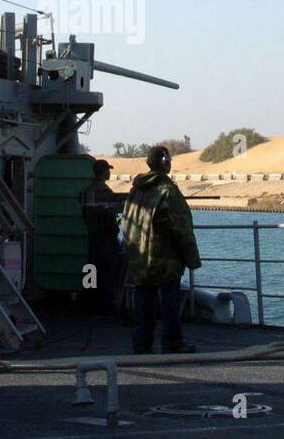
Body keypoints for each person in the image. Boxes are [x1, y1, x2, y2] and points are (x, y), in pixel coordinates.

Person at [120, 145, 201, 354]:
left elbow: (126, 223)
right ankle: (172, 343)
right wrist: (192, 259)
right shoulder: (168, 191)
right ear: (166, 163)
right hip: (165, 260)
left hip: (139, 259)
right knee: (169, 304)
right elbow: (182, 228)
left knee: (143, 305)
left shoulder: (136, 189)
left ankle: (141, 345)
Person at [80, 158, 125, 315]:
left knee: (91, 268)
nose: (109, 172)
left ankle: (88, 300)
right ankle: (106, 305)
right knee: (109, 270)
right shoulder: (105, 192)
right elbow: (108, 217)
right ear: (104, 172)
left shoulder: (86, 191)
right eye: (108, 170)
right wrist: (114, 228)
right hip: (106, 237)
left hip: (92, 236)